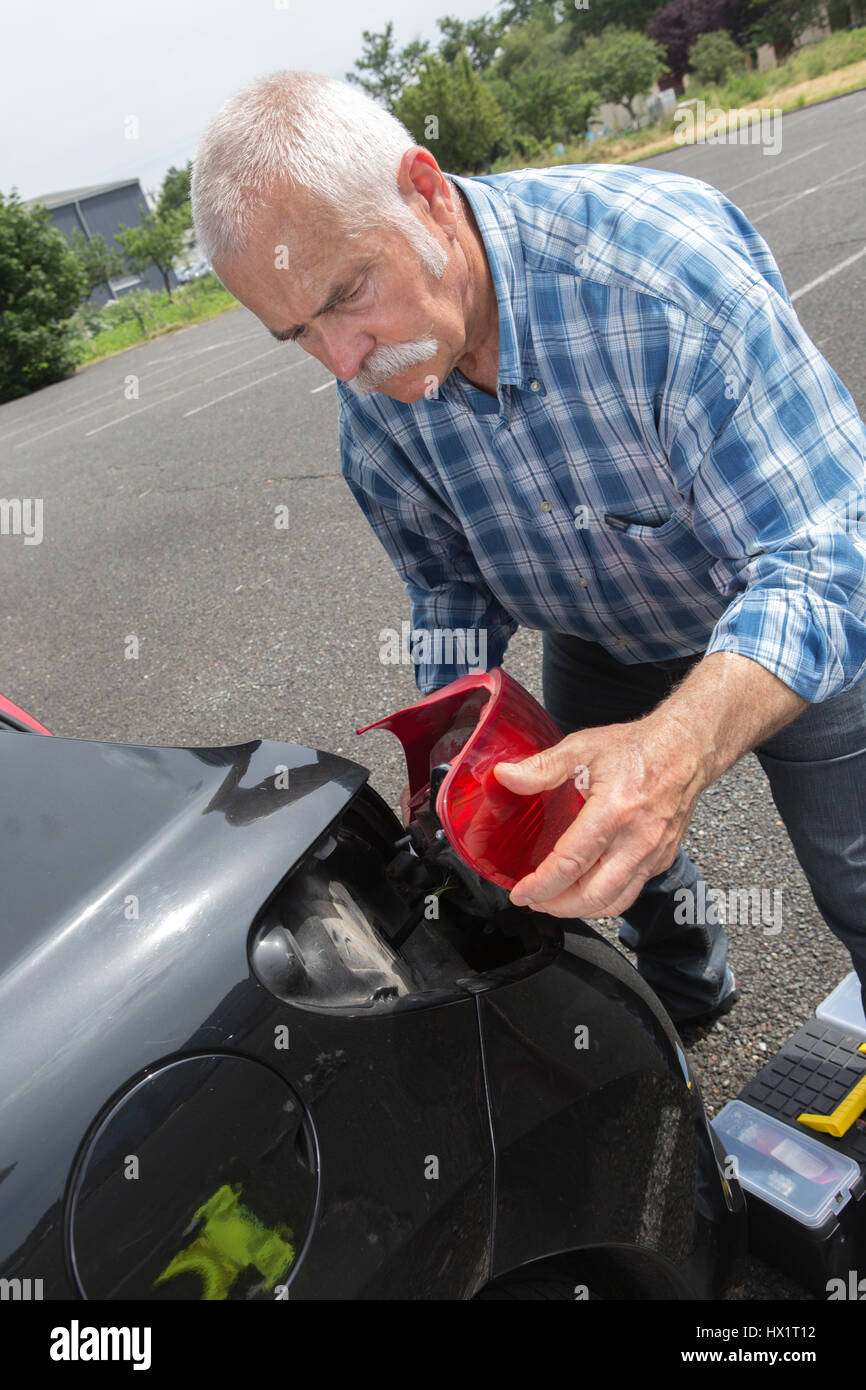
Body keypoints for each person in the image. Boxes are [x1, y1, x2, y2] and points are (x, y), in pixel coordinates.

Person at [191, 70, 866, 1025]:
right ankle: (682, 1001)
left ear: (426, 192)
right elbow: (448, 589)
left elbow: (822, 555)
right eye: (298, 332)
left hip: (783, 600)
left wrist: (671, 751)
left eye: (348, 294)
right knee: (586, 847)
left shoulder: (660, 281)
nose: (343, 363)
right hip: (600, 629)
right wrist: (448, 749)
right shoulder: (373, 398)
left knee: (857, 874)